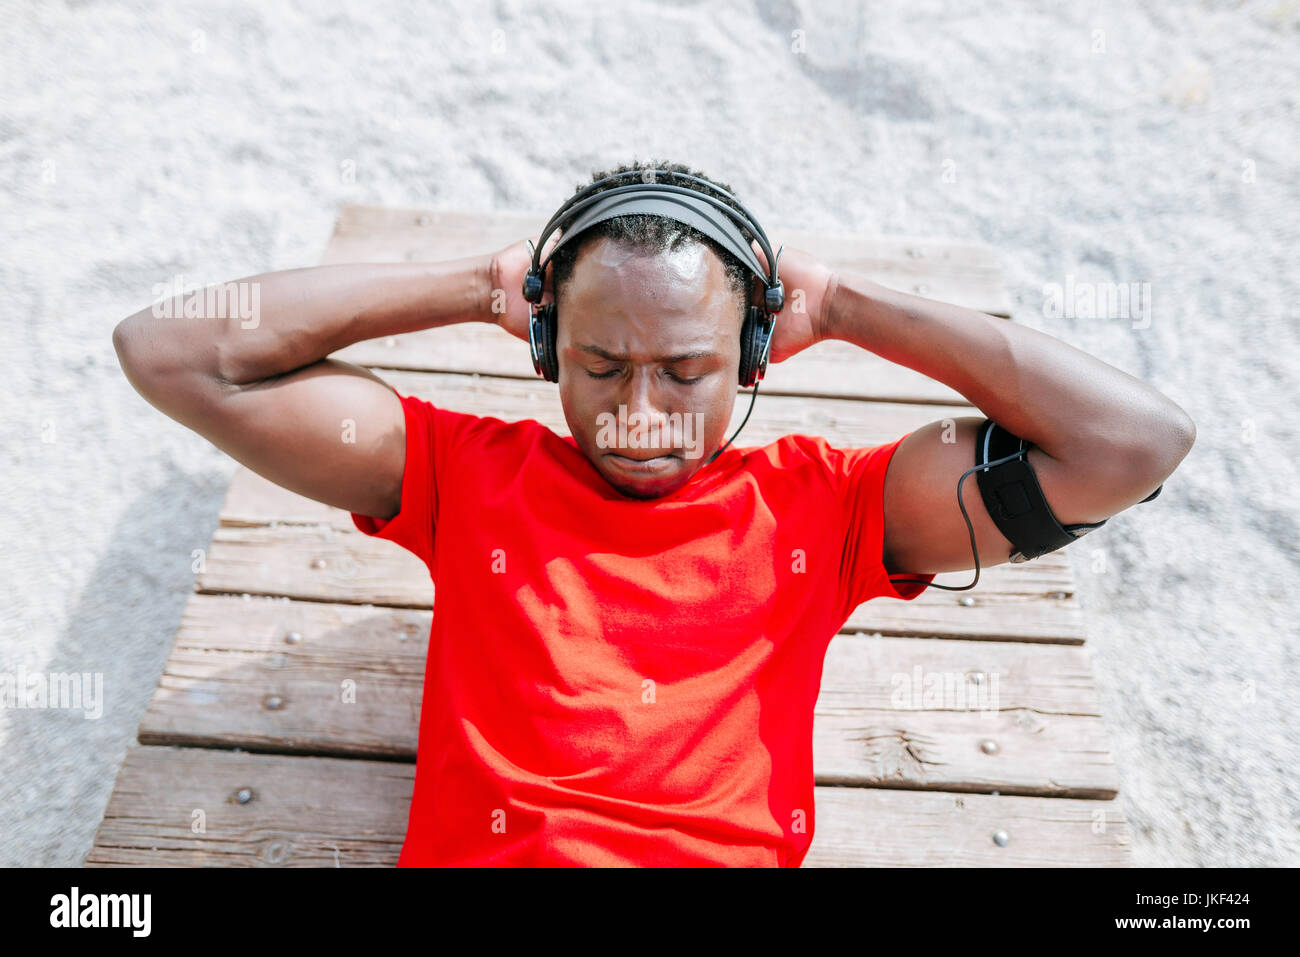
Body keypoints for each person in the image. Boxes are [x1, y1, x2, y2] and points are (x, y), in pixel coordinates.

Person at [112, 159, 1195, 867]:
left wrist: (854, 306)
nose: (638, 415)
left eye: (686, 371)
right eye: (597, 365)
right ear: (541, 346)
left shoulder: (829, 504)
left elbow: (1130, 444)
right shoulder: (462, 473)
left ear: (753, 357)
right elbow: (170, 351)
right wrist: (472, 283)